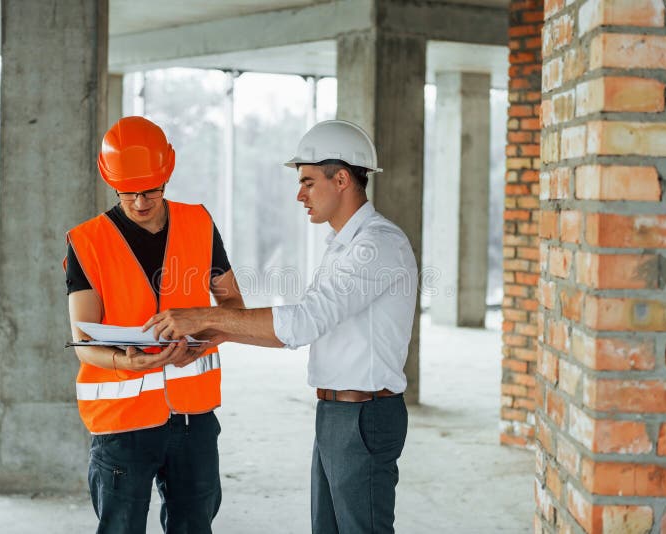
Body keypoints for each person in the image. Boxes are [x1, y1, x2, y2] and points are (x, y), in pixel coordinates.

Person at [145, 119, 419, 533]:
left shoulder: (375, 245)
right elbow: (306, 328)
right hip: (338, 412)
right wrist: (223, 333)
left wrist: (205, 315)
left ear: (342, 179)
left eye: (308, 182)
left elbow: (304, 321)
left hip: (364, 415)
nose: (300, 194)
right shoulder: (343, 245)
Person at [64, 116, 243, 534]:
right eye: (128, 192)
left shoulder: (199, 223)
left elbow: (232, 305)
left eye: (151, 190)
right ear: (111, 181)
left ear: (167, 173)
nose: (141, 201)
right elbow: (83, 340)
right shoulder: (87, 241)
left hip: (192, 420)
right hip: (121, 423)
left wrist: (201, 339)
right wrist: (127, 364)